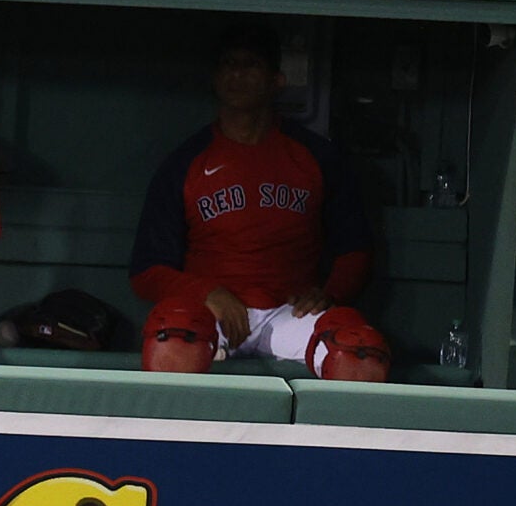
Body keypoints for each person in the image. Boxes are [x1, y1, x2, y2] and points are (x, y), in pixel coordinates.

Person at [130, 22, 388, 381]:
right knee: (173, 340)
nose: (236, 74)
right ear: (215, 77)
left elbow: (355, 250)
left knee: (355, 351)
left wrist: (329, 294)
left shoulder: (315, 157)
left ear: (276, 80)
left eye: (249, 65)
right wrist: (208, 292)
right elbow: (146, 270)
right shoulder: (185, 162)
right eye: (228, 64)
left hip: (290, 314)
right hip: (213, 315)